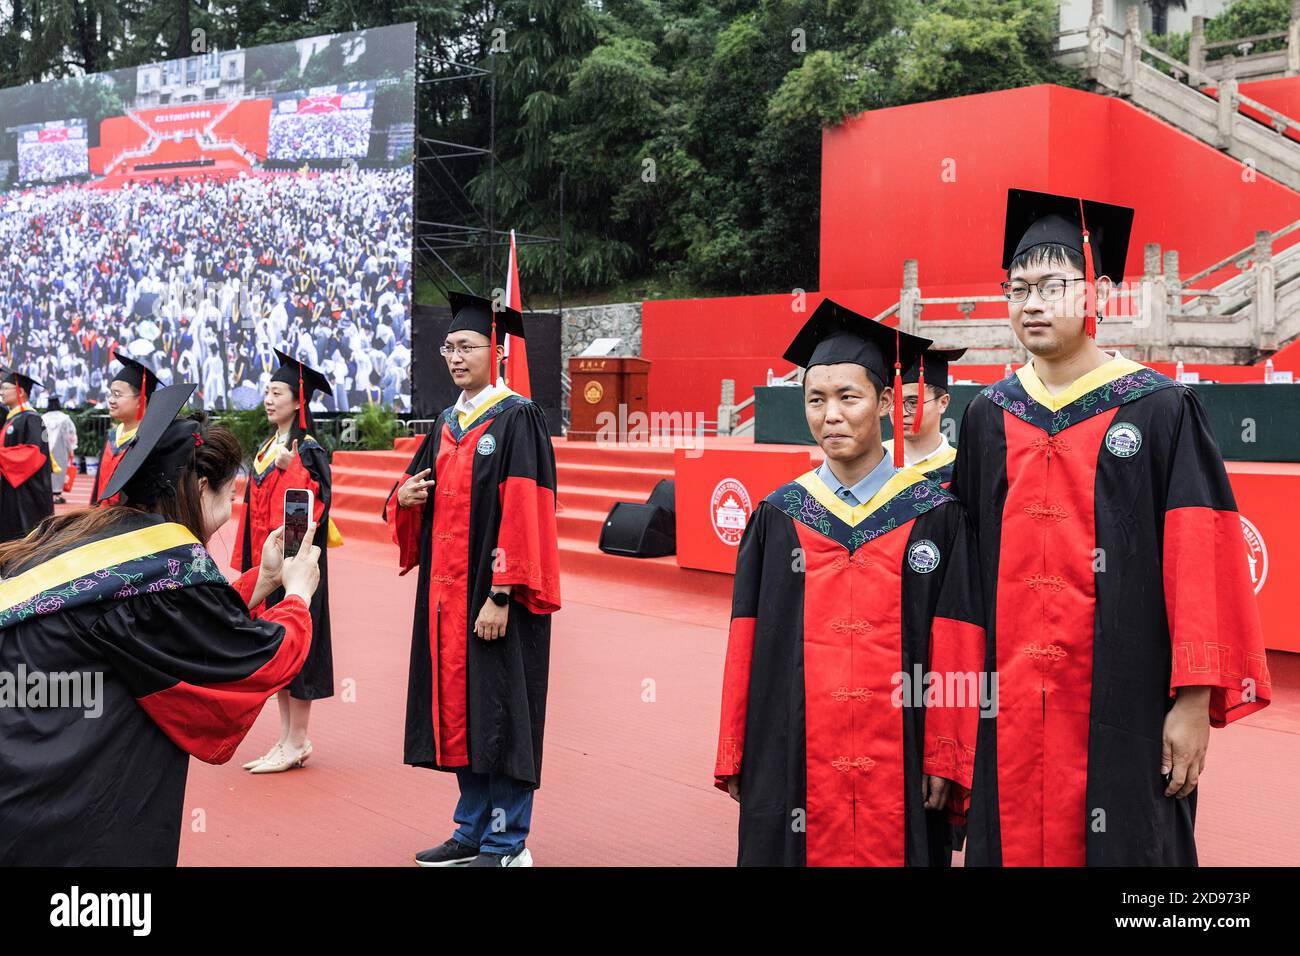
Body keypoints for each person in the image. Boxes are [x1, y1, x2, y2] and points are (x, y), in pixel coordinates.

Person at [951, 188, 1272, 866]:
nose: (1032, 303)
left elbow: (1199, 562)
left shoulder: (1159, 410)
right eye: (1018, 287)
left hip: (1124, 707)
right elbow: (965, 574)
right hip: (1006, 706)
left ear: (1093, 292)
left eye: (1053, 286)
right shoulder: (987, 416)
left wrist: (1192, 703)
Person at [0, 383, 322, 865]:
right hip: (61, 781)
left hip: (24, 736)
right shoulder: (167, 567)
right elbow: (250, 659)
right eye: (228, 493)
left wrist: (265, 579)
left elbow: (175, 628)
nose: (230, 510)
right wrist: (297, 592)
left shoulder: (96, 533)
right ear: (197, 488)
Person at [714, 299, 986, 866]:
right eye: (816, 400)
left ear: (886, 403)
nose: (830, 415)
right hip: (793, 747)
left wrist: (948, 749)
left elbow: (959, 640)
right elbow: (746, 638)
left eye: (848, 397)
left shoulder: (937, 515)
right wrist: (736, 747)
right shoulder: (778, 516)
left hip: (906, 752)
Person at [385, 291, 560, 868]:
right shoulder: (444, 423)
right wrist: (403, 499)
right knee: (465, 711)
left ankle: (507, 844)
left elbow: (526, 512)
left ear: (496, 351)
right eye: (449, 347)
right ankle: (470, 830)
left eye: (467, 346)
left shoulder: (517, 419)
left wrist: (501, 593)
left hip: (492, 600)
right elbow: (412, 495)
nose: (456, 357)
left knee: (503, 713)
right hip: (445, 599)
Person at [232, 349, 337, 773]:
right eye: (268, 392)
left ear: (299, 400)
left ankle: (299, 739)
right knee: (277, 646)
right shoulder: (266, 447)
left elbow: (317, 504)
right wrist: (250, 567)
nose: (269, 399)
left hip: (296, 567)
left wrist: (293, 469)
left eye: (277, 392)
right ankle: (284, 738)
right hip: (269, 567)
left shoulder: (308, 449)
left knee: (300, 647)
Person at [883, 348, 966, 485]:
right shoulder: (874, 463)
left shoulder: (962, 468)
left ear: (943, 403)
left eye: (913, 403)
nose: (902, 412)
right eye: (894, 402)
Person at [91, 353, 160, 506]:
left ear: (141, 399)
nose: (110, 400)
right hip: (101, 521)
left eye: (117, 394)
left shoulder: (151, 441)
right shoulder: (113, 436)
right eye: (111, 393)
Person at [0, 367, 53, 543]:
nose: (1, 392)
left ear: (20, 391)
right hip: (10, 486)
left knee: (23, 534)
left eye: (5, 388)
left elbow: (33, 454)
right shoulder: (13, 418)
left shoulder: (31, 418)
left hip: (26, 490)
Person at [41, 395, 77, 505]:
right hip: (60, 446)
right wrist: (72, 448)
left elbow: (42, 434)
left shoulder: (43, 417)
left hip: (47, 447)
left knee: (48, 469)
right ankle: (57, 495)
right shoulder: (65, 418)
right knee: (60, 469)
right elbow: (70, 434)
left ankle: (48, 495)